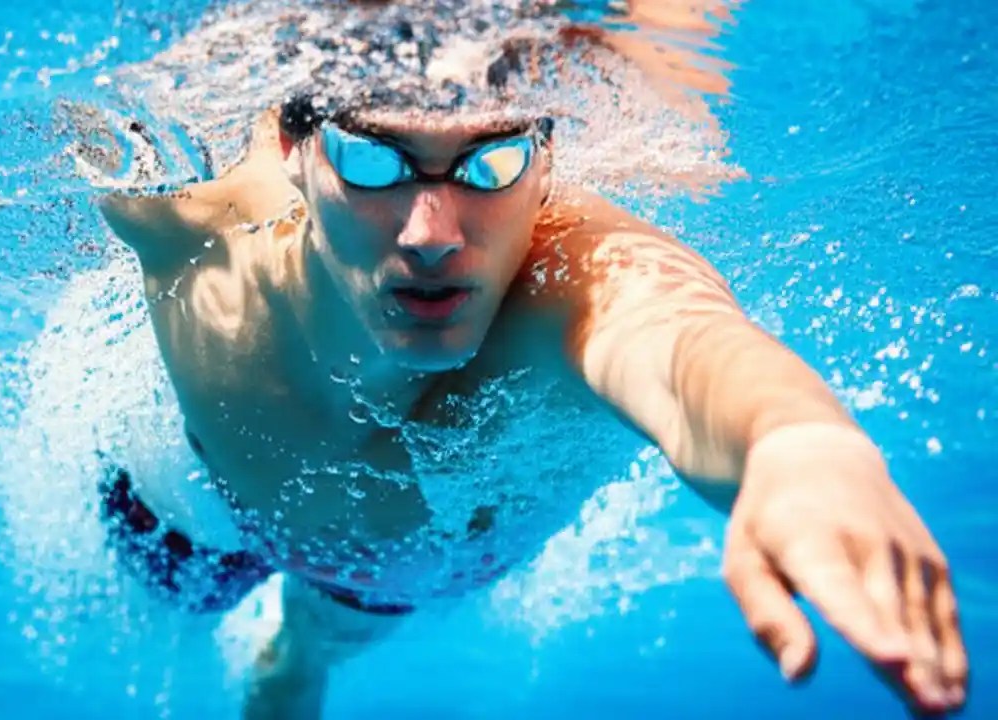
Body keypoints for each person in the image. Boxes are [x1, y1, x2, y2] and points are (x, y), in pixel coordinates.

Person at [85, 10, 968, 720]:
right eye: (371, 159)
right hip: (197, 496)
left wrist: (796, 442)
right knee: (158, 603)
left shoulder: (578, 278)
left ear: (546, 162)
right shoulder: (187, 227)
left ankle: (295, 662)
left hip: (378, 577)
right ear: (293, 150)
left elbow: (681, 343)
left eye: (491, 162)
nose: (432, 234)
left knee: (311, 652)